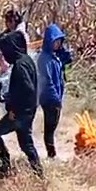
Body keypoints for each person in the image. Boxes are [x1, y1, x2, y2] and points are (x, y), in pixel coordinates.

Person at [0, 32, 43, 179]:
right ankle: (40, 176)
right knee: (26, 144)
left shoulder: (20, 65)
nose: (4, 54)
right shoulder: (26, 61)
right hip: (26, 111)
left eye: (5, 50)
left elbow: (27, 89)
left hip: (20, 113)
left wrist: (13, 109)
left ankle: (5, 166)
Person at [36, 23, 73, 159]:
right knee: (50, 128)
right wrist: (55, 99)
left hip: (56, 97)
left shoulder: (55, 56)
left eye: (59, 42)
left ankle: (51, 153)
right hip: (49, 99)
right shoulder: (44, 59)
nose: (57, 44)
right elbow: (47, 81)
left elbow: (68, 58)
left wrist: (62, 50)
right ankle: (51, 154)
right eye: (55, 42)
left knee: (52, 126)